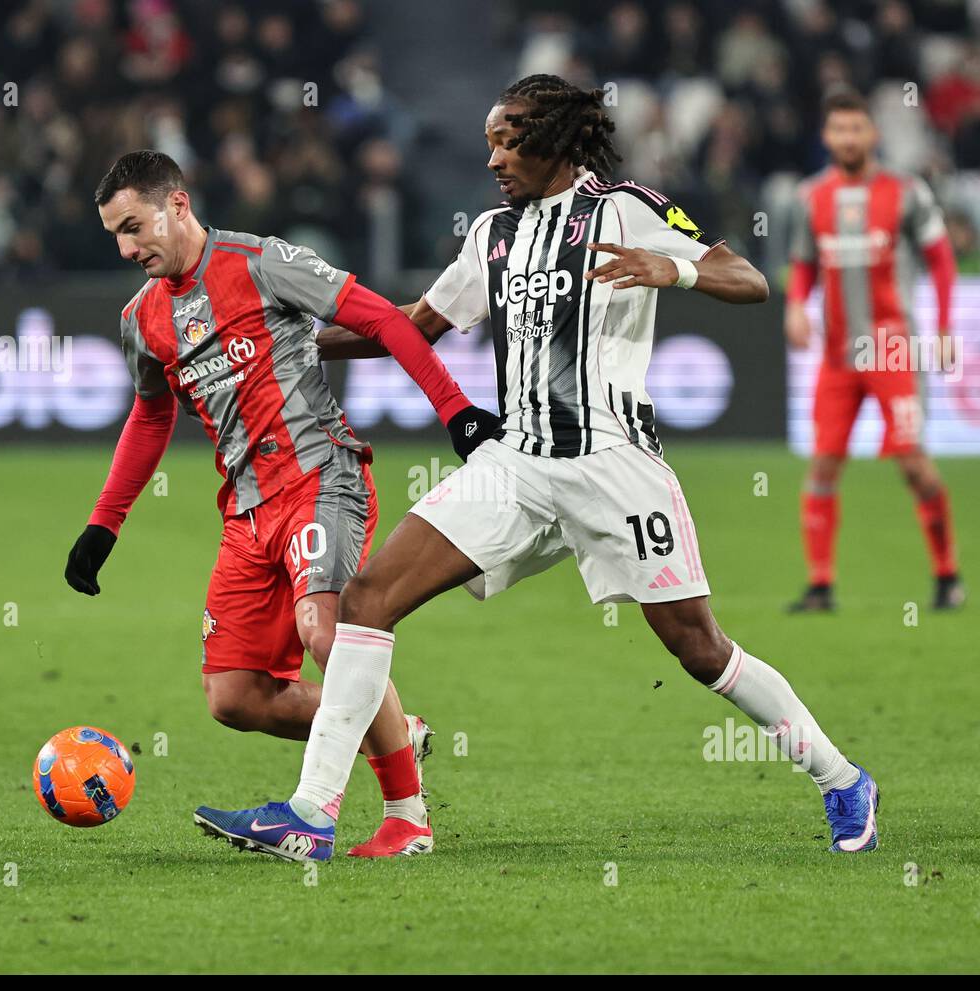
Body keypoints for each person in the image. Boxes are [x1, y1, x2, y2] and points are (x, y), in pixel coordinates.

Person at [192, 76, 881, 862]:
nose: (492, 158)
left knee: (699, 648)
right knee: (368, 597)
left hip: (613, 466)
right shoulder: (492, 234)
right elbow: (413, 324)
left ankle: (841, 776)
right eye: (489, 140)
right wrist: (282, 348)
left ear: (554, 137)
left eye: (507, 139)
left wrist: (675, 271)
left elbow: (749, 280)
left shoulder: (626, 208)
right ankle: (320, 814)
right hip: (515, 463)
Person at [65, 150, 498, 858]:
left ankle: (407, 817)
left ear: (177, 204)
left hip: (321, 478)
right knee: (234, 696)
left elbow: (386, 321)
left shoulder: (263, 262)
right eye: (115, 233)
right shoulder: (143, 319)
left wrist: (456, 412)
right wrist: (103, 524)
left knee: (329, 630)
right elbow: (150, 418)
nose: (126, 247)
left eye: (135, 226)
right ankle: (387, 728)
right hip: (245, 512)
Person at [785, 88, 964, 613]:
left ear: (872, 134)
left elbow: (942, 260)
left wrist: (947, 326)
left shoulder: (906, 192)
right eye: (838, 129)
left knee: (913, 464)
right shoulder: (809, 197)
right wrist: (796, 306)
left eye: (855, 129)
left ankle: (947, 575)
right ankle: (820, 586)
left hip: (890, 350)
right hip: (838, 356)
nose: (847, 138)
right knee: (822, 464)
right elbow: (803, 264)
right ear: (826, 136)